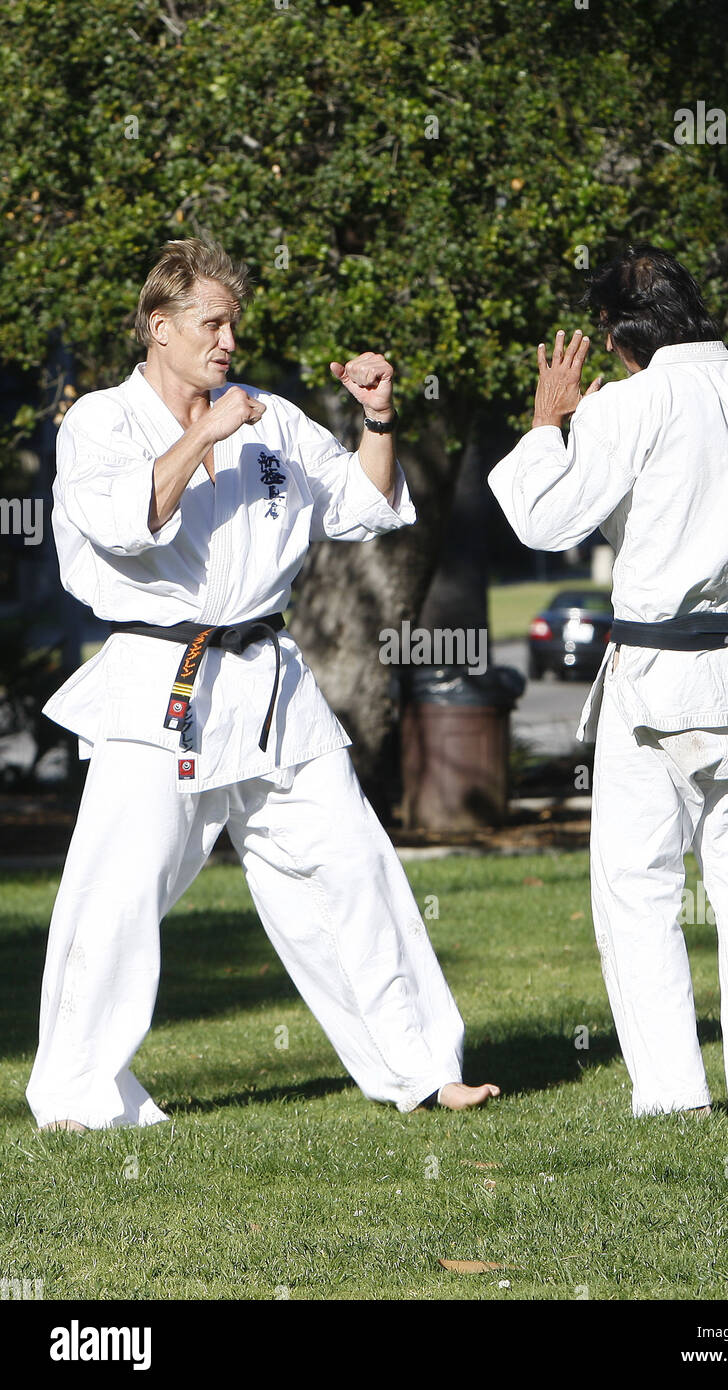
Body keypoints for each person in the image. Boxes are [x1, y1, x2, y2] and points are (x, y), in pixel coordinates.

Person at [28, 238, 499, 1131]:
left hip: (272, 682)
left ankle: (420, 1068)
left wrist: (379, 420)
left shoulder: (272, 418)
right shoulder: (99, 424)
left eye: (235, 323)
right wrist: (203, 431)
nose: (228, 340)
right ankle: (80, 1095)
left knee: (350, 867)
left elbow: (362, 507)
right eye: (212, 322)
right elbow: (130, 525)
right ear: (159, 327)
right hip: (157, 682)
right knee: (121, 891)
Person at [488, 244, 728, 1119]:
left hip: (660, 672)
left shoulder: (629, 405)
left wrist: (549, 422)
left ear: (619, 339)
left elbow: (541, 518)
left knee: (638, 892)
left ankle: (673, 1095)